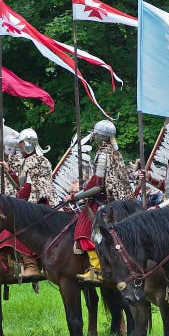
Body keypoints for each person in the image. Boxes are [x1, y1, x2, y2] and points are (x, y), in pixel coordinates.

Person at [73, 120, 132, 283]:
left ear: (102, 136)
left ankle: (97, 268)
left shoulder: (103, 154)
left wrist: (76, 196)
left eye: (96, 133)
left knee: (83, 228)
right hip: (116, 200)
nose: (93, 135)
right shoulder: (115, 153)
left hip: (103, 201)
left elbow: (98, 185)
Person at [1, 128, 58, 279]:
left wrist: (12, 203)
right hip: (43, 203)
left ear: (27, 145)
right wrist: (8, 172)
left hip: (37, 204)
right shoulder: (41, 160)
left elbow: (27, 189)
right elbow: (21, 186)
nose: (19, 148)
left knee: (12, 228)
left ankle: (30, 264)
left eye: (21, 145)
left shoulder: (31, 162)